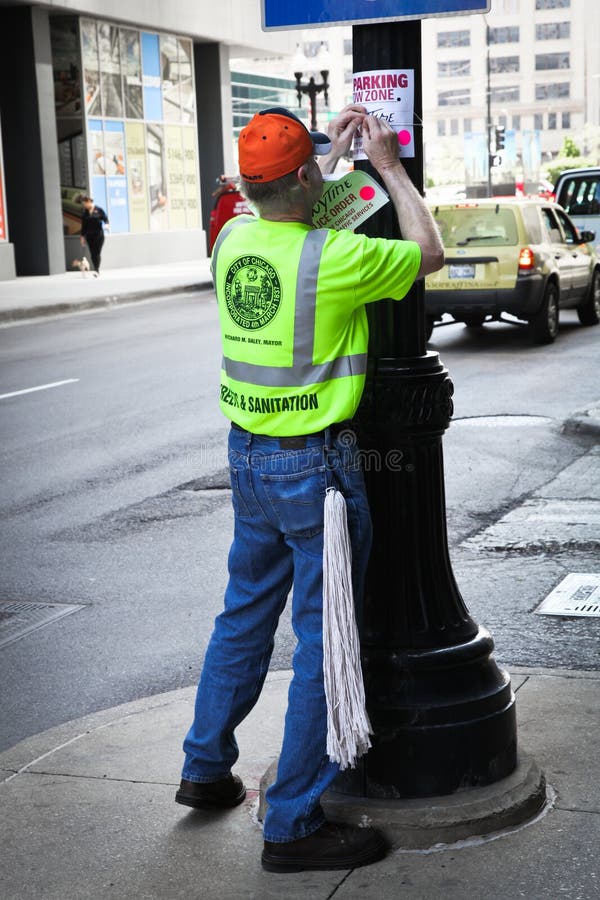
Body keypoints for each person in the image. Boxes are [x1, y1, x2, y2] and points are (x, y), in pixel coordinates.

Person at [176, 105, 444, 873]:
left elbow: (268, 193)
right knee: (325, 647)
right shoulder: (335, 258)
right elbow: (428, 252)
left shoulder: (231, 239)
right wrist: (386, 164)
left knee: (243, 618)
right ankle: (290, 823)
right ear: (302, 177)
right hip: (314, 471)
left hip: (248, 460)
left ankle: (204, 768)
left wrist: (313, 153)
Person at [80, 196, 109, 273]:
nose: (84, 205)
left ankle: (96, 269)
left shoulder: (99, 210)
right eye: (83, 204)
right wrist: (82, 237)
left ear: (89, 201)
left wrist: (106, 224)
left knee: (97, 252)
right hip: (89, 236)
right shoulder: (85, 213)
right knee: (93, 253)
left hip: (99, 235)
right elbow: (84, 227)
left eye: (85, 203)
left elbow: (105, 218)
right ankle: (96, 269)